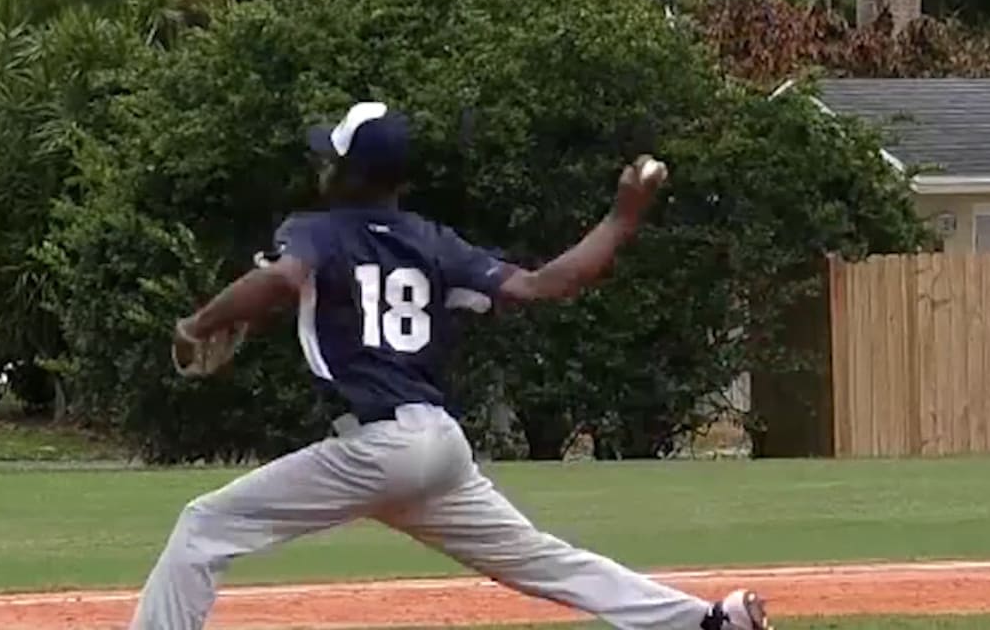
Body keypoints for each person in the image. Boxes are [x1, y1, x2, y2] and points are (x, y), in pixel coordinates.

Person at [131, 101, 769, 630]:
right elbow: (541, 285)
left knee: (203, 527)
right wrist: (621, 217)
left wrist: (197, 323)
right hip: (437, 447)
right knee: (541, 558)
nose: (321, 165)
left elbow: (285, 278)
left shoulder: (316, 230)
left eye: (332, 157)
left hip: (376, 446)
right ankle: (708, 623)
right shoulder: (432, 240)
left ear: (349, 175)